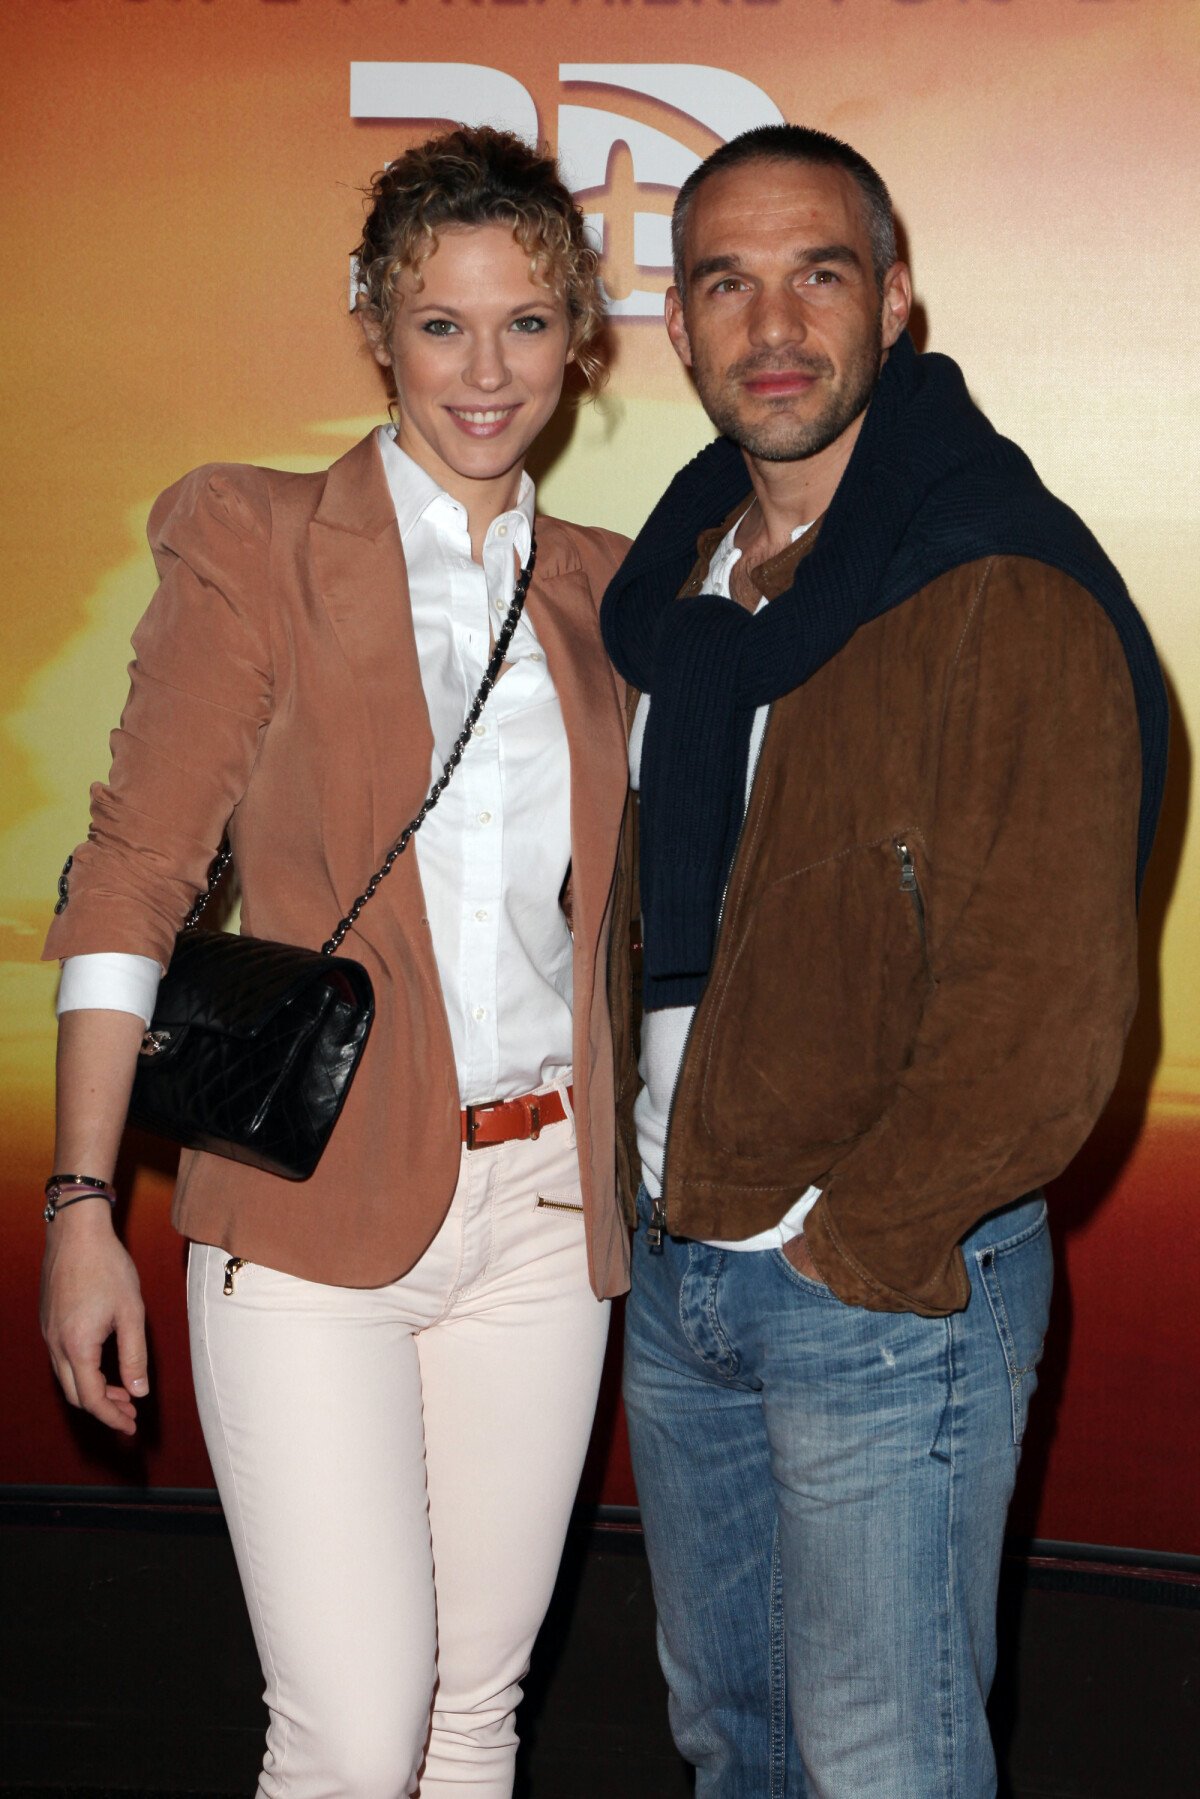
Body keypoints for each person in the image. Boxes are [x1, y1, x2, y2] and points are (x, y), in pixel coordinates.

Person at [40, 126, 632, 1799]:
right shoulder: (259, 538)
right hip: (308, 1216)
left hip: (542, 1218)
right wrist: (83, 1205)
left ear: (579, 335)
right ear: (374, 326)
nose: (486, 372)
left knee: (471, 1721)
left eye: (526, 323)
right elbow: (133, 877)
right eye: (441, 324)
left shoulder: (608, 591)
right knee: (356, 1737)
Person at [601, 124, 1167, 1797]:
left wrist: (858, 1243)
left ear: (895, 300)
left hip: (878, 1282)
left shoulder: (1000, 578)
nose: (774, 325)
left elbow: (1046, 1006)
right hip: (682, 1267)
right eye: (728, 284)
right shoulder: (675, 582)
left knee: (884, 1766)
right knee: (737, 1747)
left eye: (820, 275)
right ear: (679, 325)